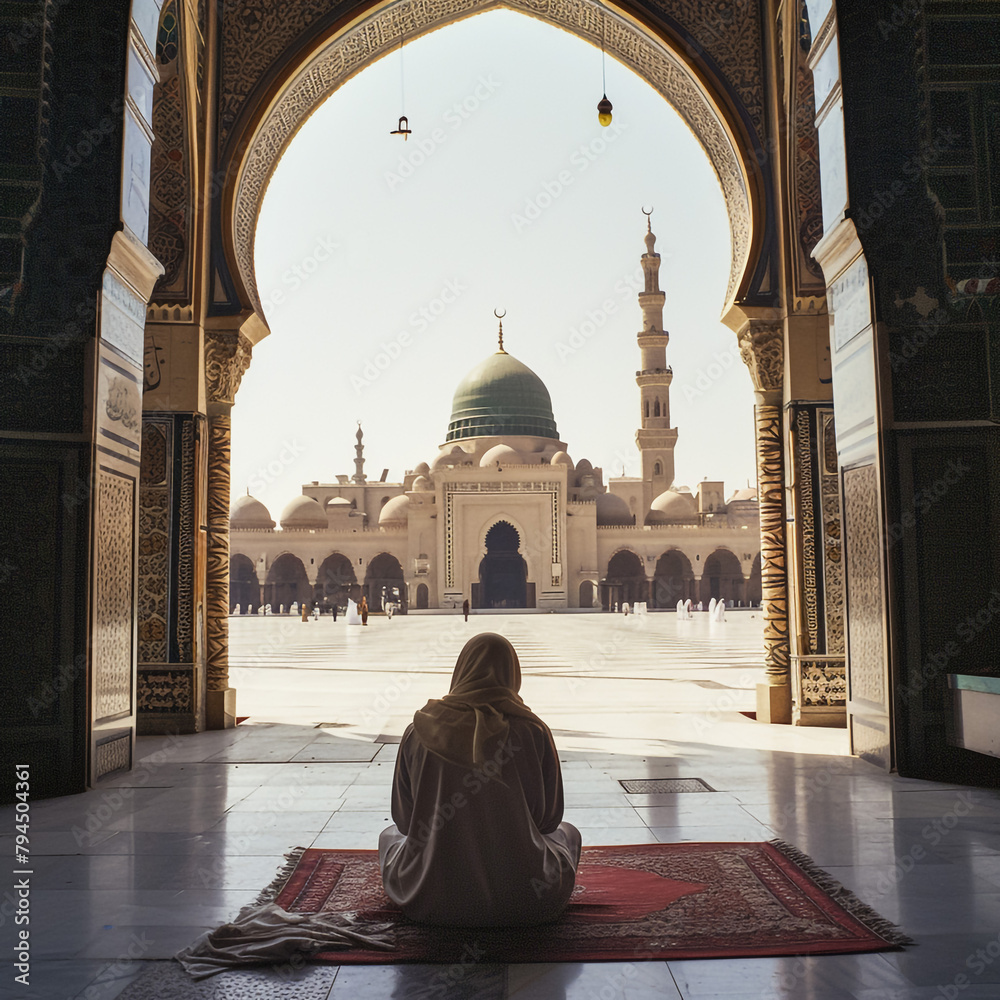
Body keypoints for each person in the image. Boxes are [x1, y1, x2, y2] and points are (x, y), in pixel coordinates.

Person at [379, 633, 580, 927]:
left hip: (428, 899)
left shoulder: (419, 729)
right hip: (526, 902)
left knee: (388, 837)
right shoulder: (533, 731)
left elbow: (405, 821)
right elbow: (548, 821)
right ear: (513, 673)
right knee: (568, 833)